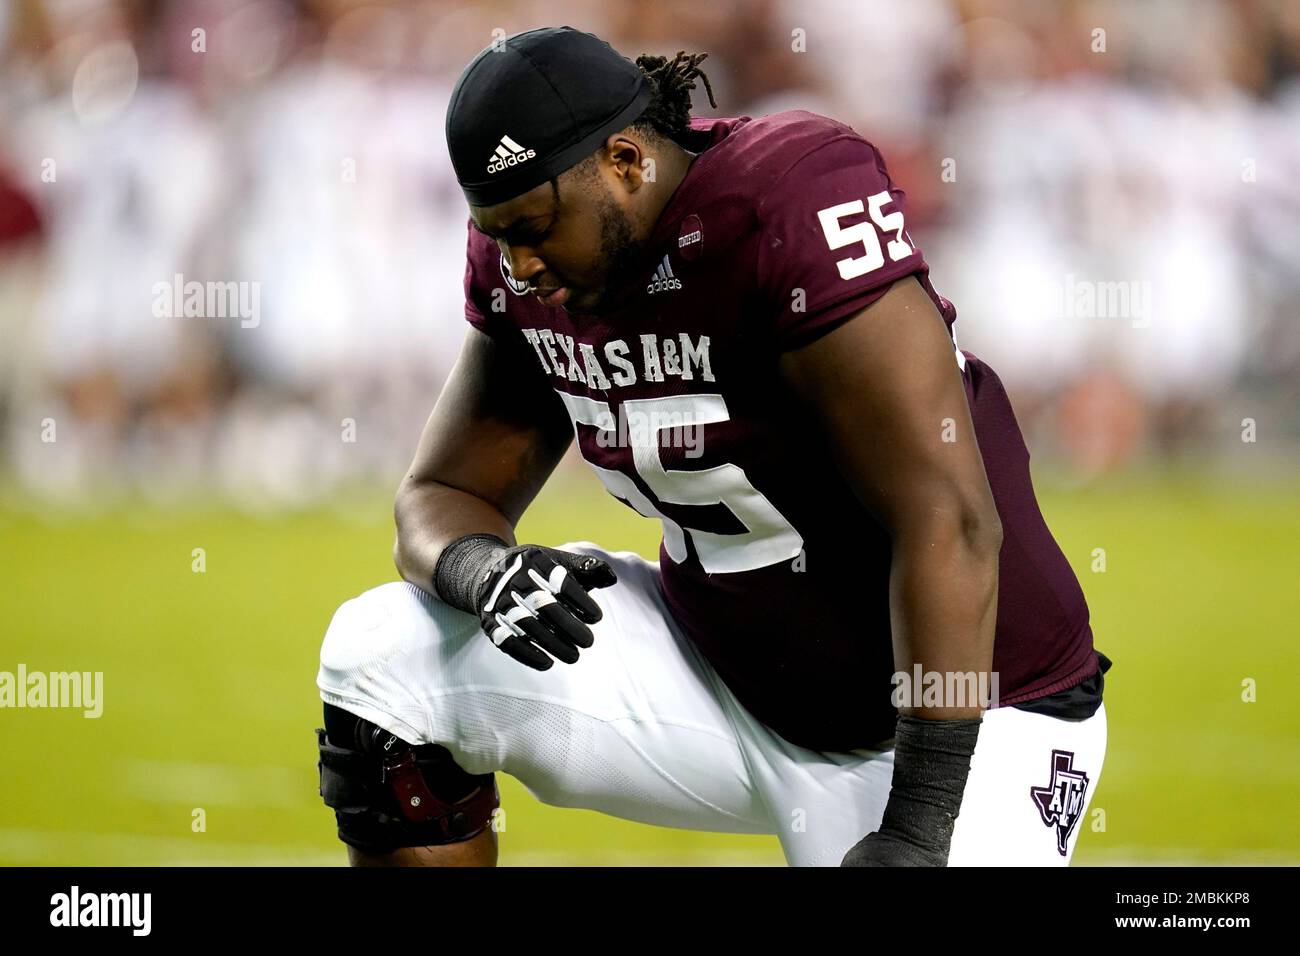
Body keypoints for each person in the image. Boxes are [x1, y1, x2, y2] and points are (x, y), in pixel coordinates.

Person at [315, 26, 1110, 867]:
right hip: (726, 679)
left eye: (537, 225)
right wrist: (485, 573)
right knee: (383, 658)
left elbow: (948, 517)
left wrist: (917, 829)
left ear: (625, 159)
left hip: (974, 716)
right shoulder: (531, 266)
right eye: (499, 234)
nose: (521, 262)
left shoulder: (783, 203)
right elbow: (439, 494)